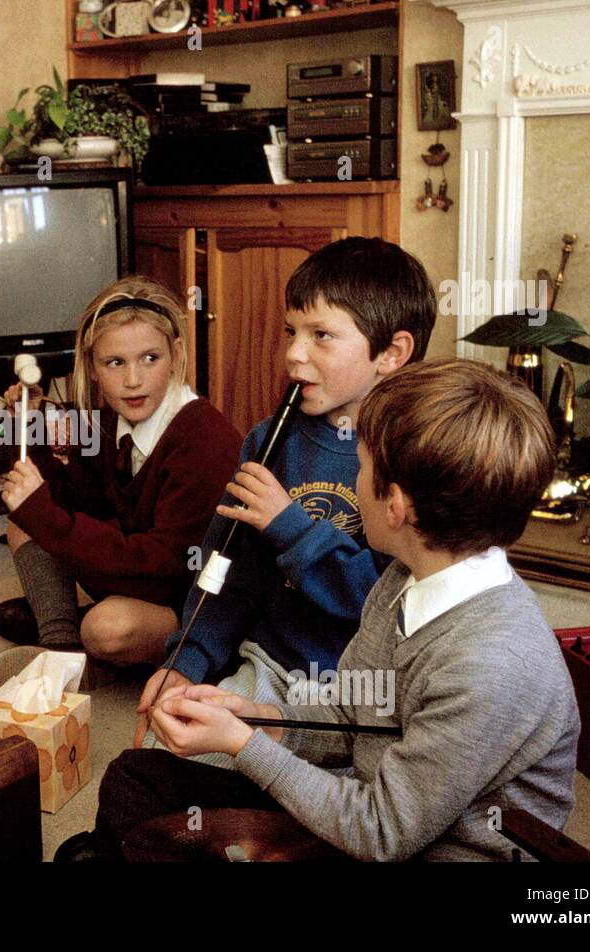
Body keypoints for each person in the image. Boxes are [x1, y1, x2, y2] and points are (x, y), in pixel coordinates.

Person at [89, 358, 580, 862]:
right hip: (373, 809)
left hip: (425, 849)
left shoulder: (491, 666)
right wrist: (260, 718)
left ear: (396, 507)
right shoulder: (402, 578)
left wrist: (243, 746)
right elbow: (350, 712)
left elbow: (380, 833)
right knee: (138, 779)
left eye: (362, 467)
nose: (354, 477)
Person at [133, 237, 438, 755]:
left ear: (392, 353)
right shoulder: (269, 441)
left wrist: (290, 526)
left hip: (365, 691)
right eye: (291, 332)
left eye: (322, 335)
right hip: (271, 665)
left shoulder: (421, 457)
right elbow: (226, 568)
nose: (294, 353)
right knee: (165, 757)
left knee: (348, 800)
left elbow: (390, 601)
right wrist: (186, 659)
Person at [0, 276, 241, 686]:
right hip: (140, 576)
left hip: (195, 600)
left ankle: (84, 642)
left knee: (106, 628)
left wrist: (47, 518)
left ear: (177, 355)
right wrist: (28, 425)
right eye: (115, 363)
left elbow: (161, 570)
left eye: (150, 359)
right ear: (92, 367)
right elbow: (75, 503)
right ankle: (62, 646)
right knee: (25, 516)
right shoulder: (112, 422)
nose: (133, 380)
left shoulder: (205, 440)